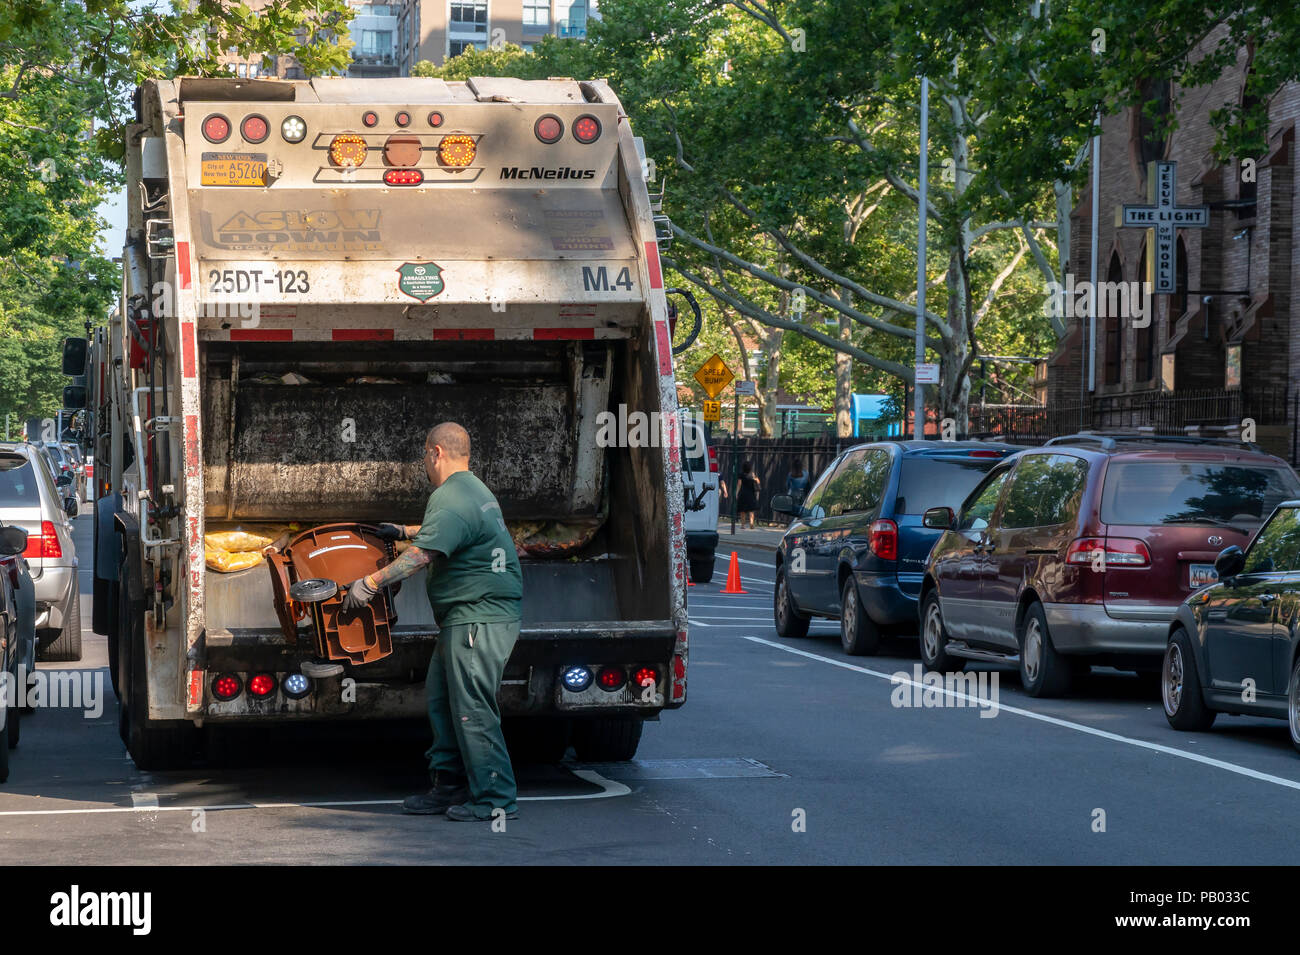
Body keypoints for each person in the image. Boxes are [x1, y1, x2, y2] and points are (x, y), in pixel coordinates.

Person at [342, 421, 524, 823]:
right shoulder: (471, 491)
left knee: (472, 708)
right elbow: (452, 531)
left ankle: (495, 799)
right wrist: (402, 530)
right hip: (467, 617)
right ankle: (449, 786)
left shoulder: (450, 494)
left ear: (435, 453)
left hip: (480, 617)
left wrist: (370, 583)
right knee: (443, 702)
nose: (425, 463)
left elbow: (423, 555)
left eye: (425, 456)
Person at [734, 460, 761, 528]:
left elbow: (739, 484)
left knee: (742, 510)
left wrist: (737, 493)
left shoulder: (741, 474)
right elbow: (758, 481)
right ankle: (751, 523)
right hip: (751, 493)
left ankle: (743, 525)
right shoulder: (752, 474)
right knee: (751, 509)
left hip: (743, 493)